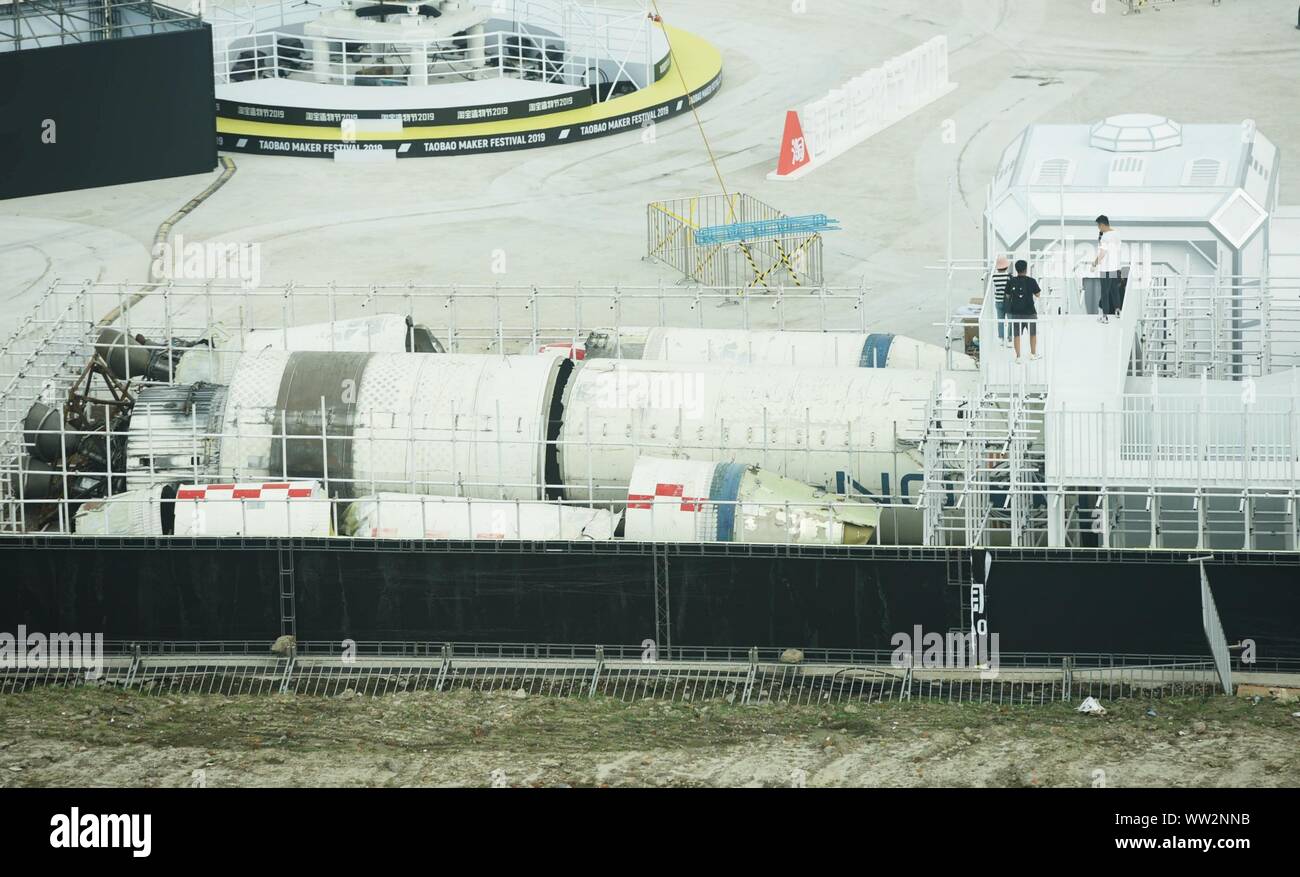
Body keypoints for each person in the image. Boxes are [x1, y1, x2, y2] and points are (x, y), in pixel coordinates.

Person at [1003, 259, 1042, 363]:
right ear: (1026, 269)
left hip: (1016, 312)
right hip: (1030, 312)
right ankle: (1033, 354)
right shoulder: (1031, 281)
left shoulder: (1011, 281)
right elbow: (1038, 295)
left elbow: (1007, 295)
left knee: (1017, 335)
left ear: (1016, 270)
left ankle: (1018, 356)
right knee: (1032, 334)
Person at [1091, 215, 1124, 323]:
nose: (1098, 228)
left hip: (1106, 269)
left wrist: (1094, 263)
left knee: (1104, 292)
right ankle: (1117, 310)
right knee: (1115, 290)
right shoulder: (1117, 234)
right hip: (1115, 267)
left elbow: (1102, 253)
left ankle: (1104, 316)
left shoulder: (1105, 237)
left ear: (1102, 224)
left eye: (1099, 226)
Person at [991, 255, 1012, 346]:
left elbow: (994, 289)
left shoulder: (994, 276)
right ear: (1006, 266)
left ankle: (1002, 339)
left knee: (1000, 320)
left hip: (998, 301)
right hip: (1008, 302)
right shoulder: (1009, 276)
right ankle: (1010, 338)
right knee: (1010, 320)